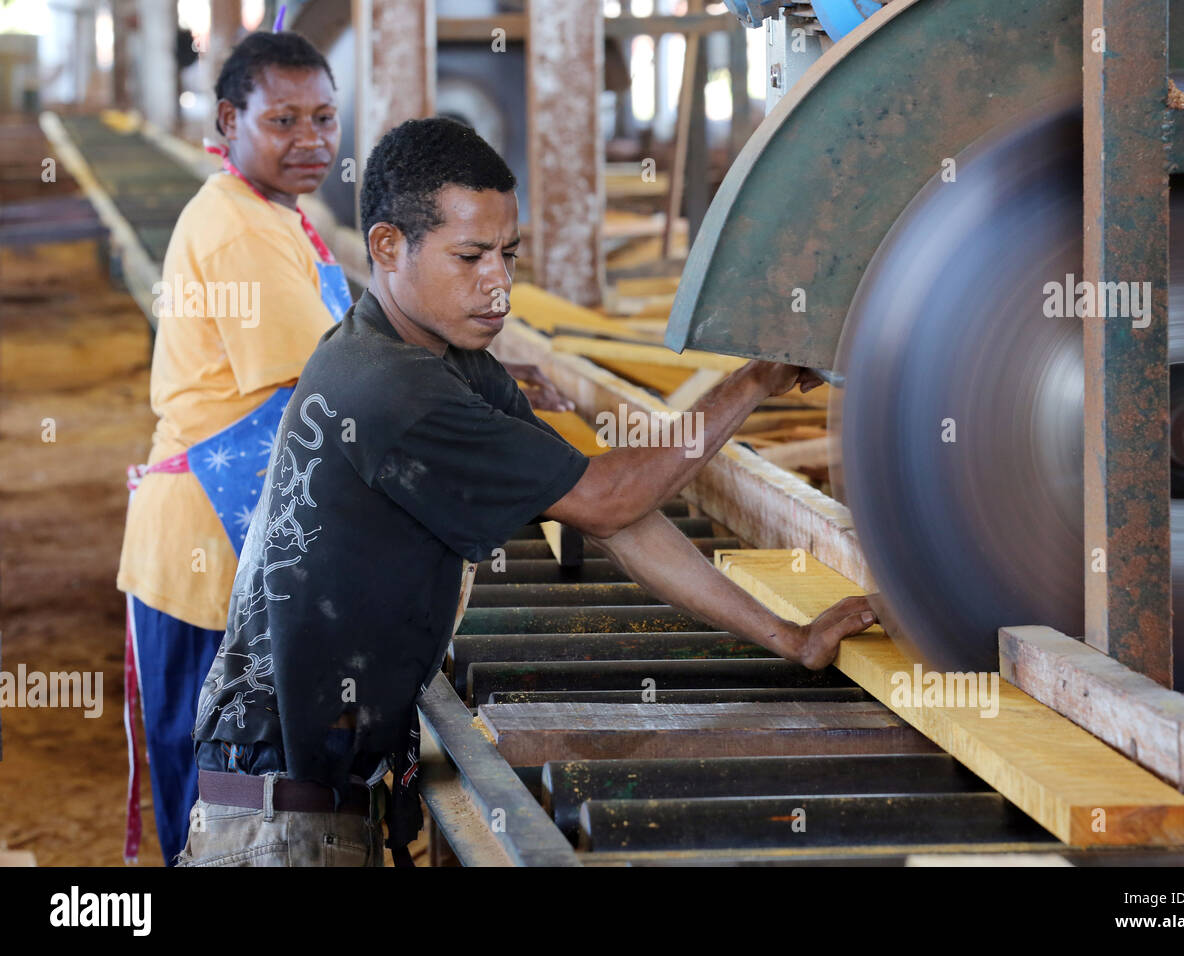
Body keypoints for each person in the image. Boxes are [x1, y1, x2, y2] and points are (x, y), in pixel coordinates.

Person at [177, 117, 875, 867]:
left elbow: (615, 515)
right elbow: (609, 499)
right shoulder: (391, 388)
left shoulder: (447, 358)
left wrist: (789, 637)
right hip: (276, 827)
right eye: (471, 256)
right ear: (386, 248)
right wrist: (754, 380)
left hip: (317, 792)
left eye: (509, 253)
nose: (499, 282)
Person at [116, 30, 353, 866]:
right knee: (217, 797)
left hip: (233, 536)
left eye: (324, 117)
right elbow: (328, 383)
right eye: (284, 120)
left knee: (227, 786)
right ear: (230, 119)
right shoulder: (240, 230)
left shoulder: (272, 213)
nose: (312, 140)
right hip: (204, 555)